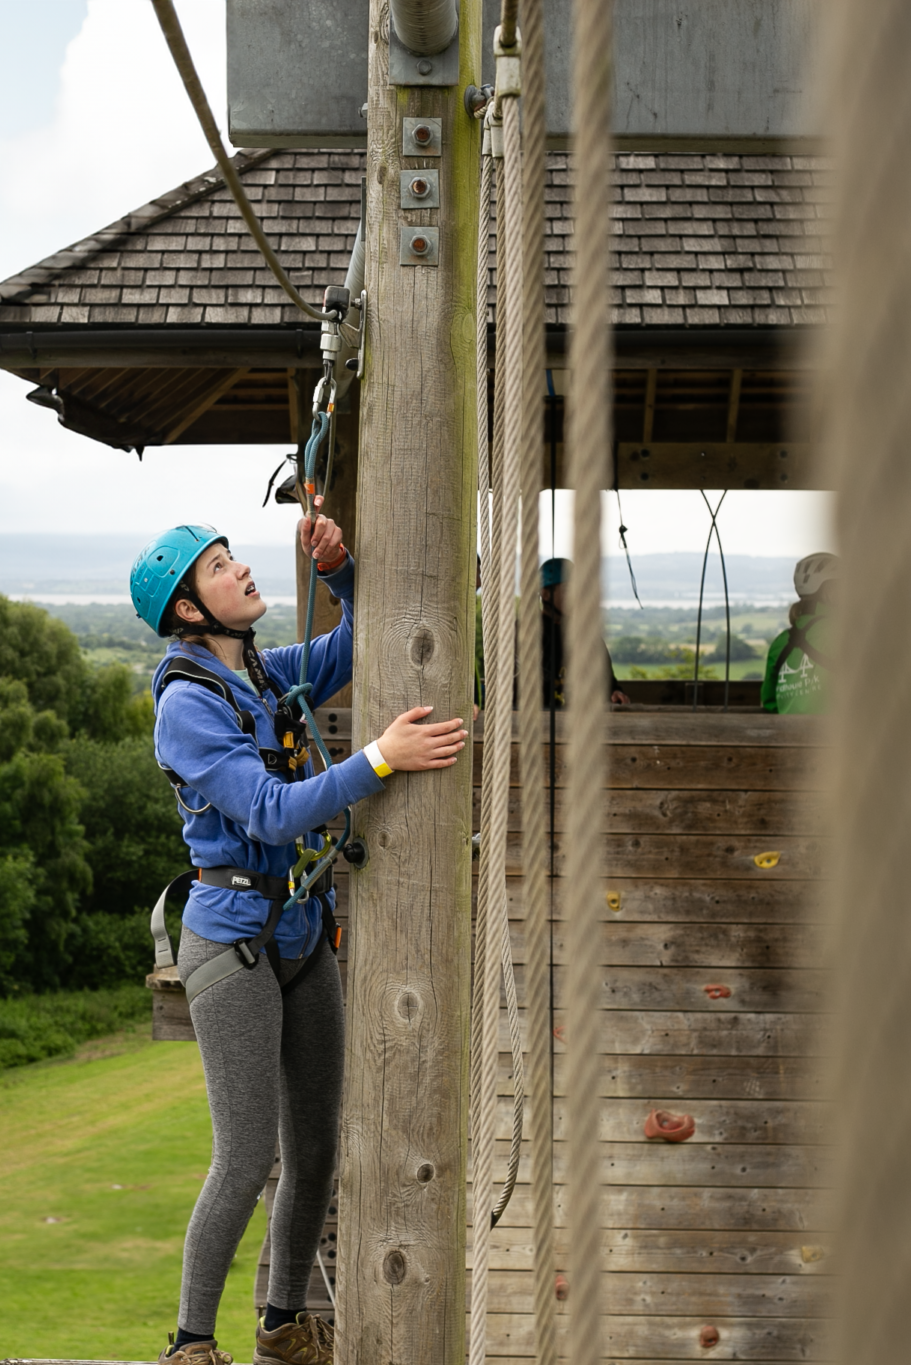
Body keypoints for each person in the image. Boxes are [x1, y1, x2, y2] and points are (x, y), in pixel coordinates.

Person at [131, 519, 465, 1365]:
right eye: (219, 566)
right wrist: (381, 758)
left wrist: (340, 567)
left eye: (232, 556)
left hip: (300, 929)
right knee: (246, 1157)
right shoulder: (187, 705)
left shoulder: (262, 675)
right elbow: (272, 813)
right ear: (187, 608)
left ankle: (283, 1325)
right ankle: (191, 1344)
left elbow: (353, 645)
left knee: (315, 1150)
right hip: (232, 942)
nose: (241, 568)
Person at [539, 557, 631, 708]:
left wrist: (615, 693)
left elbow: (607, 682)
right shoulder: (526, 634)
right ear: (545, 594)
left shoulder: (588, 635)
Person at [761, 553, 837, 713]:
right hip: (830, 729)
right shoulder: (843, 634)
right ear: (831, 592)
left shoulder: (781, 643)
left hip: (784, 729)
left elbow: (769, 702)